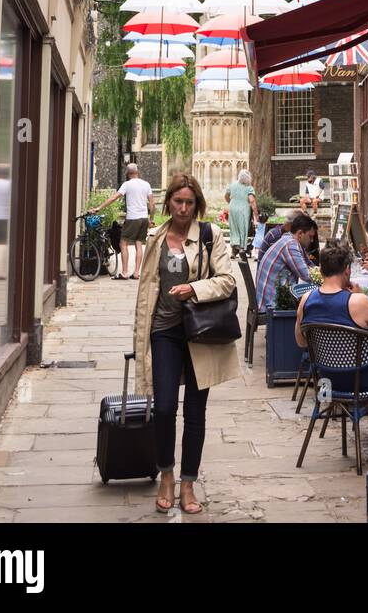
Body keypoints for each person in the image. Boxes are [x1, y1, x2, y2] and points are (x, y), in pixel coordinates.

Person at [133, 173, 240, 515]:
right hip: (164, 331)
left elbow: (226, 280)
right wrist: (139, 338)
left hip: (200, 333)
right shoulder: (155, 239)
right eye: (177, 202)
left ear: (197, 205)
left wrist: (194, 289)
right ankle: (167, 474)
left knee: (196, 412)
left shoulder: (211, 235)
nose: (183, 208)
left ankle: (189, 483)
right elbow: (145, 290)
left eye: (189, 203)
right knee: (164, 408)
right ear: (168, 203)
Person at [295, 240, 368, 391]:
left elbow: (301, 342)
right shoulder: (358, 302)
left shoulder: (306, 300)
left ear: (321, 270)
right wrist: (364, 298)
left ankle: (331, 403)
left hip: (327, 381)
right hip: (364, 380)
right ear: (347, 270)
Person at [93, 163, 154, 280]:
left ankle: (125, 272)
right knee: (139, 244)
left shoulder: (127, 184)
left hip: (132, 218)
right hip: (144, 218)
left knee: (123, 243)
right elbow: (152, 203)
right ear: (138, 172)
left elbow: (114, 197)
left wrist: (99, 208)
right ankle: (136, 273)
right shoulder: (146, 184)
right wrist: (151, 219)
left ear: (127, 173)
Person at [256, 212, 317, 311]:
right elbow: (307, 275)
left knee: (311, 293)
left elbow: (310, 265)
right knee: (315, 298)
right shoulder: (290, 245)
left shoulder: (289, 239)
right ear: (300, 234)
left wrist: (324, 273)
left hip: (271, 298)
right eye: (310, 237)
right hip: (271, 304)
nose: (312, 240)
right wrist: (332, 280)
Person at [226, 170, 257, 258]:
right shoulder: (249, 187)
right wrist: (256, 214)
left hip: (232, 208)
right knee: (243, 228)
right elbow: (251, 200)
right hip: (243, 209)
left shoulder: (232, 185)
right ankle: (241, 249)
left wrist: (231, 202)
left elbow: (226, 196)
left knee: (234, 228)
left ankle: (233, 250)